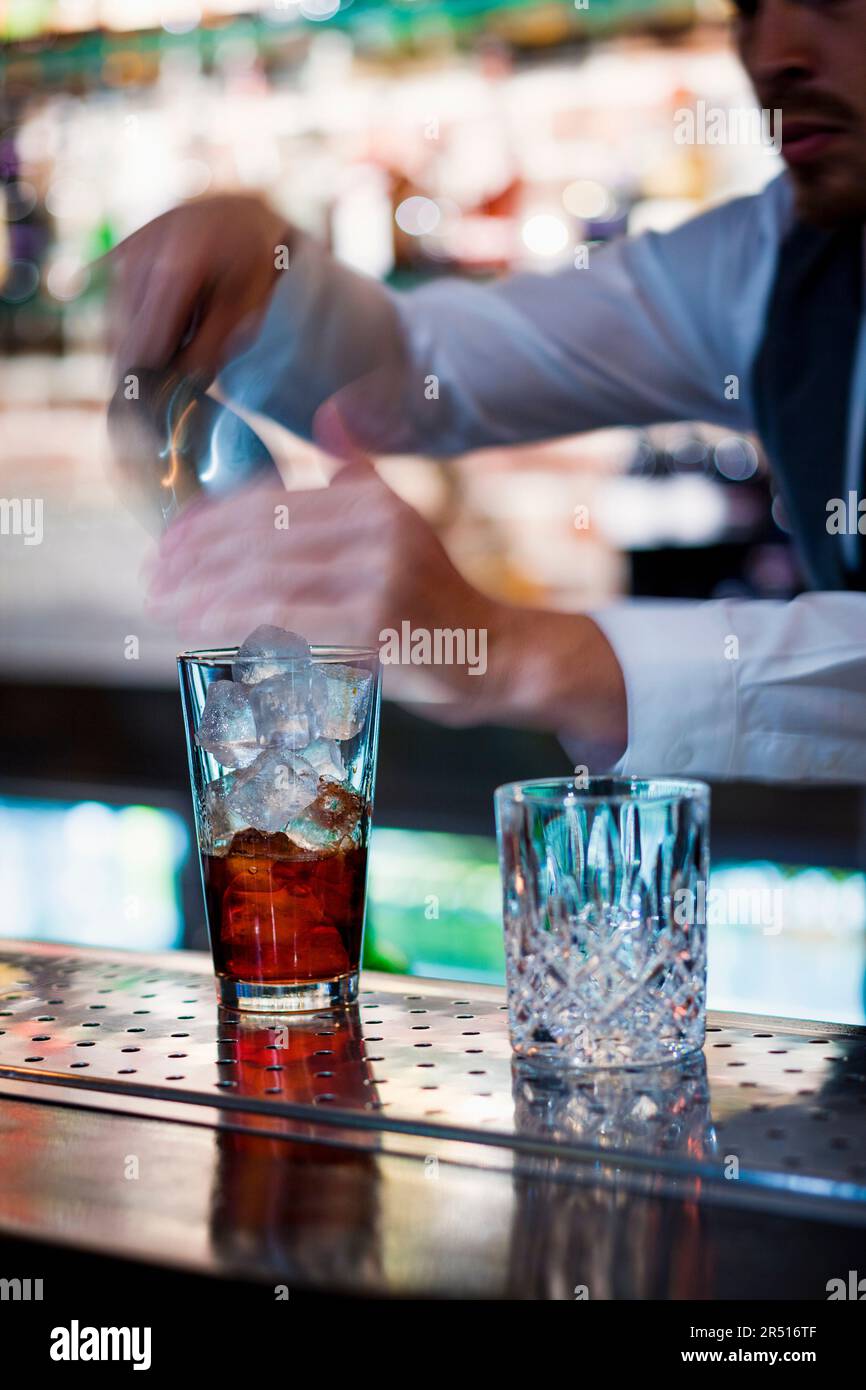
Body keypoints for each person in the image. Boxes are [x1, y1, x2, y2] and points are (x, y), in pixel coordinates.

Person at [110, 0, 866, 783]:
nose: (773, 52)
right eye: (747, 8)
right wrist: (264, 283)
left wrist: (510, 650)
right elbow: (422, 368)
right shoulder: (773, 255)